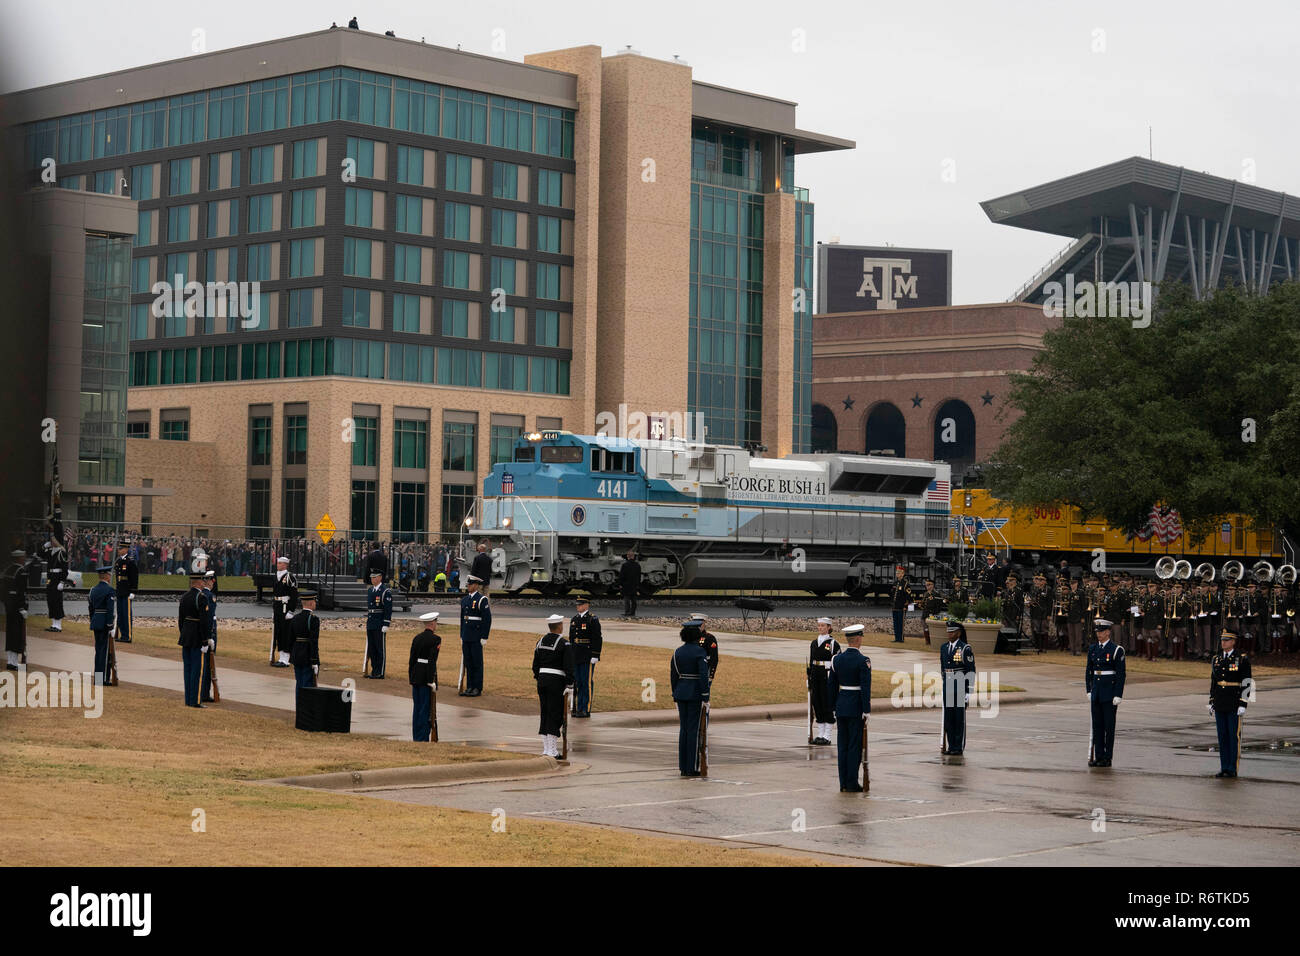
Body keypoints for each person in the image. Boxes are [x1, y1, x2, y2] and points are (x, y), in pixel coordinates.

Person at [828, 624, 872, 792]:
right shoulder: (863, 661)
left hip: (841, 706)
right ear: (859, 639)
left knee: (843, 746)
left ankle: (843, 783)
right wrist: (866, 710)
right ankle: (852, 782)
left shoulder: (837, 659)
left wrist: (832, 707)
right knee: (854, 746)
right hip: (855, 708)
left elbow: (831, 686)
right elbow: (865, 688)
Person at [670, 621, 711, 777]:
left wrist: (675, 692)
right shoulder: (699, 652)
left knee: (684, 730)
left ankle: (683, 766)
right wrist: (705, 695)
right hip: (694, 694)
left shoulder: (677, 652)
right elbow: (703, 676)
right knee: (693, 731)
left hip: (681, 692)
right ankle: (691, 767)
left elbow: (673, 675)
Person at [1208, 630, 1251, 778]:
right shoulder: (1217, 659)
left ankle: (1232, 767)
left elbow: (1247, 682)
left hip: (1234, 702)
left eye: (1226, 640)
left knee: (1233, 736)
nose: (1223, 643)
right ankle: (1224, 766)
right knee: (1222, 736)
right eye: (1222, 640)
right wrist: (1212, 701)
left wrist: (1243, 703)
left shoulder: (1241, 658)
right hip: (1220, 702)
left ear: (1233, 642)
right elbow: (1214, 682)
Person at [533, 613, 575, 757]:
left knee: (544, 713)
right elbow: (569, 667)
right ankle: (552, 750)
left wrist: (539, 678)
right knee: (555, 714)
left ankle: (546, 748)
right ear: (559, 626)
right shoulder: (564, 644)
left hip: (542, 681)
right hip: (556, 682)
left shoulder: (540, 641)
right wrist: (570, 685)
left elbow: (535, 666)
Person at [1084, 619, 1125, 767]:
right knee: (1097, 726)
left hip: (1109, 694)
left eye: (1101, 632)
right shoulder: (1093, 649)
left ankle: (1108, 757)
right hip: (1097, 693)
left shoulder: (1116, 650)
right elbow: (1089, 671)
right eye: (1097, 632)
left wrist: (1118, 694)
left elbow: (1121, 675)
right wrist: (1089, 690)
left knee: (1108, 727)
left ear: (1108, 632)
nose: (1099, 634)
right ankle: (1099, 756)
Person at [940, 620, 975, 755]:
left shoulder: (965, 648)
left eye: (952, 632)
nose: (949, 634)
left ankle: (958, 747)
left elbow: (970, 670)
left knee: (958, 718)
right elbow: (943, 667)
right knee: (949, 718)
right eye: (948, 632)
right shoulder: (943, 647)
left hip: (960, 685)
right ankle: (951, 746)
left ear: (959, 633)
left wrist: (968, 691)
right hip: (948, 684)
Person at [178, 567, 211, 708]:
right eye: (203, 580)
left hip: (186, 636)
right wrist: (205, 640)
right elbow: (204, 621)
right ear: (198, 582)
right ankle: (195, 700)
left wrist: (184, 633)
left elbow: (180, 620)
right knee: (197, 670)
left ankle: (188, 699)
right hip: (197, 637)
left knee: (188, 669)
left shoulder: (185, 597)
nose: (204, 582)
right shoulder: (201, 597)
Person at [807, 617, 840, 745]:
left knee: (827, 703)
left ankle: (827, 735)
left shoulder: (832, 643)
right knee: (817, 702)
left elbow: (836, 661)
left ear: (828, 628)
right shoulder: (814, 643)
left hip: (826, 674)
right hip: (816, 673)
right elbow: (811, 660)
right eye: (819, 625)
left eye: (823, 626)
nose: (820, 628)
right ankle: (820, 734)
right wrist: (809, 675)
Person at [409, 612, 441, 742]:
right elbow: (432, 661)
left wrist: (411, 676)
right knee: (425, 709)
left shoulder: (417, 638)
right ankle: (423, 737)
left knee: (417, 708)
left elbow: (412, 659)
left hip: (416, 674)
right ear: (432, 623)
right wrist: (430, 681)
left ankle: (417, 736)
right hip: (425, 677)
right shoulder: (436, 639)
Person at [568, 596, 602, 717]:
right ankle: (576, 708)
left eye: (581, 604)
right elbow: (572, 639)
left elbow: (597, 638)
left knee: (586, 682)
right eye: (577, 605)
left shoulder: (592, 619)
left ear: (587, 605)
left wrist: (595, 655)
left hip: (587, 655)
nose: (578, 606)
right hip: (576, 654)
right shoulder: (574, 619)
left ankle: (585, 709)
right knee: (577, 682)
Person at [459, 575, 491, 695]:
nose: (468, 586)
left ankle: (477, 687)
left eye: (470, 584)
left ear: (476, 585)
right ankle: (470, 686)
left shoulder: (481, 599)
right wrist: (461, 635)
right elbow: (462, 620)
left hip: (476, 636)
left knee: (477, 662)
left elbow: (487, 619)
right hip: (467, 635)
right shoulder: (465, 600)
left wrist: (484, 636)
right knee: (468, 662)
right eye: (468, 584)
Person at [87, 565, 115, 684]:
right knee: (104, 651)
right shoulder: (109, 590)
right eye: (110, 574)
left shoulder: (93, 590)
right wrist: (110, 624)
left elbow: (91, 608)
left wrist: (93, 619)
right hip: (104, 623)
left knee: (98, 650)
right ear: (107, 576)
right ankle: (102, 679)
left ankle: (98, 677)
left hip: (96, 621)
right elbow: (110, 609)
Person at [289, 589, 321, 690]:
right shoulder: (313, 619)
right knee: (308, 686)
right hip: (308, 656)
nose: (315, 603)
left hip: (297, 654)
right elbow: (313, 641)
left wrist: (292, 653)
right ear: (311, 603)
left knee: (299, 683)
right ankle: (306, 706)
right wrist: (315, 661)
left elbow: (291, 639)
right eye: (315, 601)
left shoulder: (295, 618)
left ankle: (299, 705)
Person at [3, 549, 29, 670]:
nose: (24, 559)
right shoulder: (21, 571)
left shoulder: (7, 570)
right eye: (23, 557)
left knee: (10, 634)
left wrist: (7, 603)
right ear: (19, 558)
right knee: (17, 635)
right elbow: (21, 593)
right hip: (18, 608)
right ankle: (13, 664)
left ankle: (10, 661)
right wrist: (22, 608)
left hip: (9, 607)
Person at [364, 568, 392, 678]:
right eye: (371, 577)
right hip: (371, 622)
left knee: (380, 648)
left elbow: (388, 609)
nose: (372, 579)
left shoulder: (385, 592)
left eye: (374, 577)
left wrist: (386, 624)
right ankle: (374, 670)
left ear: (380, 577)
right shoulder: (370, 591)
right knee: (372, 648)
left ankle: (380, 671)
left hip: (380, 623)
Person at [272, 556, 298, 668]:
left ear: (285, 565)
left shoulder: (289, 577)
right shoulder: (276, 576)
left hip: (285, 606)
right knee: (278, 632)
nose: (278, 565)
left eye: (280, 563)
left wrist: (291, 610)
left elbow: (294, 595)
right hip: (278, 606)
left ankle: (286, 658)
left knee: (286, 633)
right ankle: (281, 656)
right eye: (278, 563)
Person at [41, 535, 68, 632]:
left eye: (53, 540)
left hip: (57, 578)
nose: (51, 541)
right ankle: (53, 624)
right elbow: (40, 555)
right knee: (50, 600)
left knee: (57, 601)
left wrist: (62, 581)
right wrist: (44, 546)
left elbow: (65, 569)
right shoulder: (50, 551)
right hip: (50, 578)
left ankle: (58, 625)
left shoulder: (62, 552)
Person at [113, 540, 138, 643]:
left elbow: (134, 577)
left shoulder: (130, 562)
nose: (119, 550)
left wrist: (133, 591)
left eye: (121, 548)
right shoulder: (118, 561)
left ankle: (127, 636)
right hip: (120, 591)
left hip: (127, 591)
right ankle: (122, 634)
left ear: (126, 549)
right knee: (120, 613)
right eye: (119, 548)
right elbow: (118, 577)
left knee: (126, 614)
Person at [200, 569, 218, 703]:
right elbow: (209, 618)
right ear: (211, 581)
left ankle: (202, 691)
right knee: (207, 665)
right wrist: (210, 635)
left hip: (200, 633)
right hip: (208, 634)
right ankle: (204, 693)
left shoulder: (201, 594)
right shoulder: (209, 596)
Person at [691, 612, 719, 680]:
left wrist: (711, 674)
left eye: (700, 624)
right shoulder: (691, 637)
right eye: (695, 623)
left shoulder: (709, 638)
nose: (698, 626)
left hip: (704, 669)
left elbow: (714, 657)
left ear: (704, 624)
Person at [889, 565, 910, 643]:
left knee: (901, 623)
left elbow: (908, 596)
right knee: (895, 623)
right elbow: (892, 594)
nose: (897, 574)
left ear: (903, 574)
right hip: (895, 606)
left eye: (899, 573)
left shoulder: (905, 584)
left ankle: (900, 638)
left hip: (902, 607)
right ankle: (896, 638)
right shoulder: (895, 583)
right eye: (896, 572)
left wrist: (905, 606)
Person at [619, 551, 641, 617]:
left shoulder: (625, 565)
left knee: (627, 599)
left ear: (628, 556)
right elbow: (639, 576)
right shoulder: (637, 565)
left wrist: (620, 583)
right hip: (634, 584)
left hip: (626, 584)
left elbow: (622, 575)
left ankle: (627, 612)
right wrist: (638, 584)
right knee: (634, 599)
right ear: (633, 556)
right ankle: (633, 612)